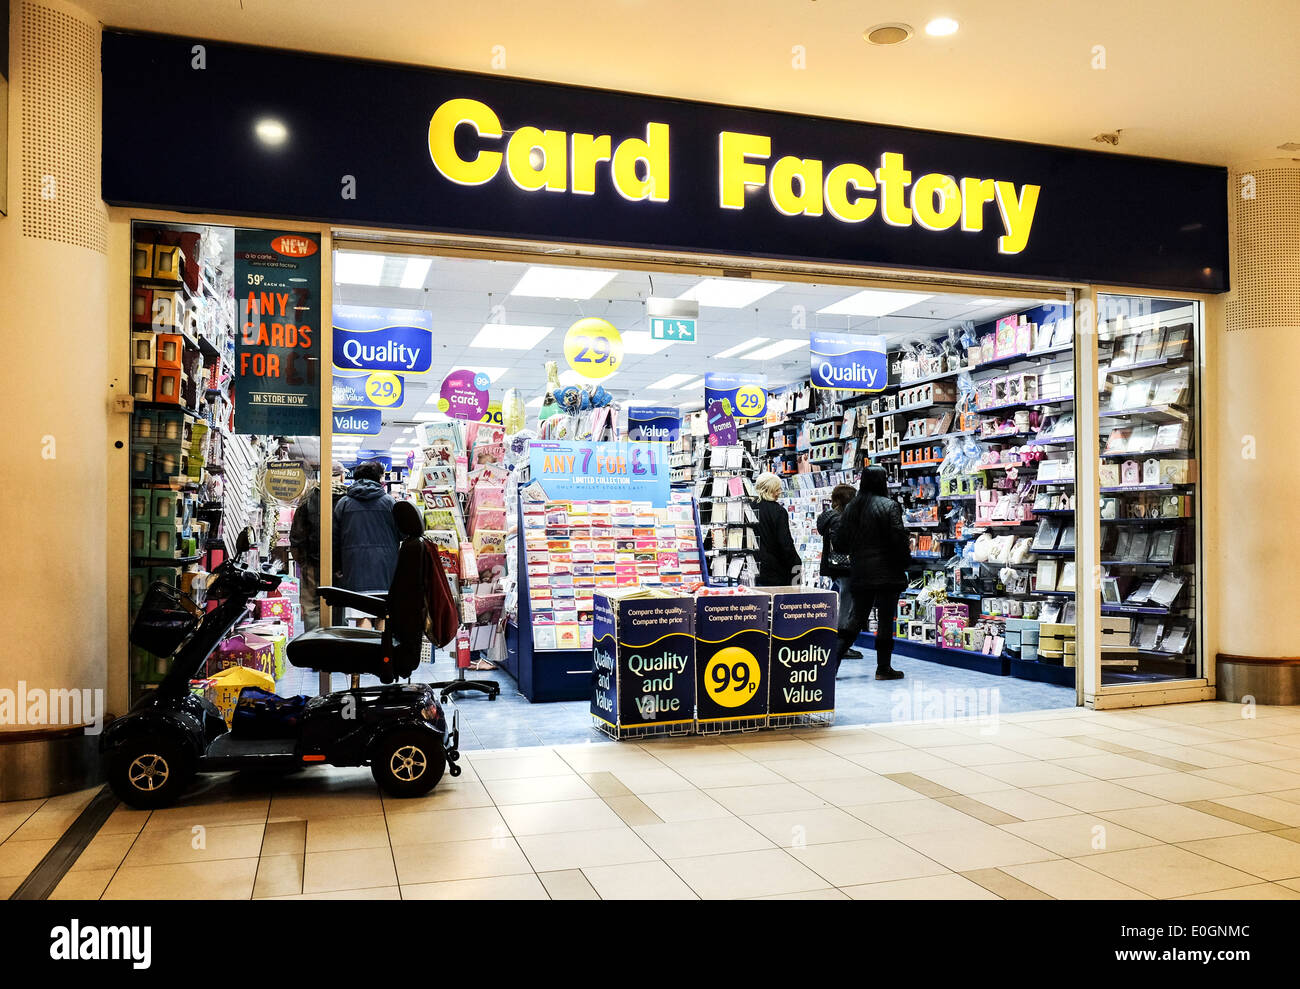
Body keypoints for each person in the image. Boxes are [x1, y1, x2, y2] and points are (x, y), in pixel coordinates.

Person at [831, 465, 911, 679]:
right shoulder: (890, 506)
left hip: (860, 571)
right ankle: (883, 668)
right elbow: (899, 539)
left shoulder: (852, 507)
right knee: (885, 620)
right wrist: (905, 562)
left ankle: (833, 664)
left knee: (856, 619)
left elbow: (839, 542)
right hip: (888, 572)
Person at [332, 460, 400, 629]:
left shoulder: (344, 503)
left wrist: (337, 566)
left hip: (354, 566)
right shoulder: (390, 502)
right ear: (379, 478)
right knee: (383, 612)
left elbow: (335, 538)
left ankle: (367, 653)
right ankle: (382, 653)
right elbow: (402, 533)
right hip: (385, 568)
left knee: (361, 613)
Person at [817, 484, 862, 660]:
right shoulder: (840, 519)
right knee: (846, 605)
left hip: (835, 567)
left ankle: (841, 644)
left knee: (845, 602)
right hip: (845, 567)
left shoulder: (829, 517)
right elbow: (842, 544)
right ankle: (840, 645)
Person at [753, 472, 802, 587]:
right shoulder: (778, 511)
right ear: (769, 490)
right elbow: (785, 543)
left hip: (753, 566)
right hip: (776, 569)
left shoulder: (748, 508)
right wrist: (796, 563)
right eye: (777, 489)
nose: (780, 492)